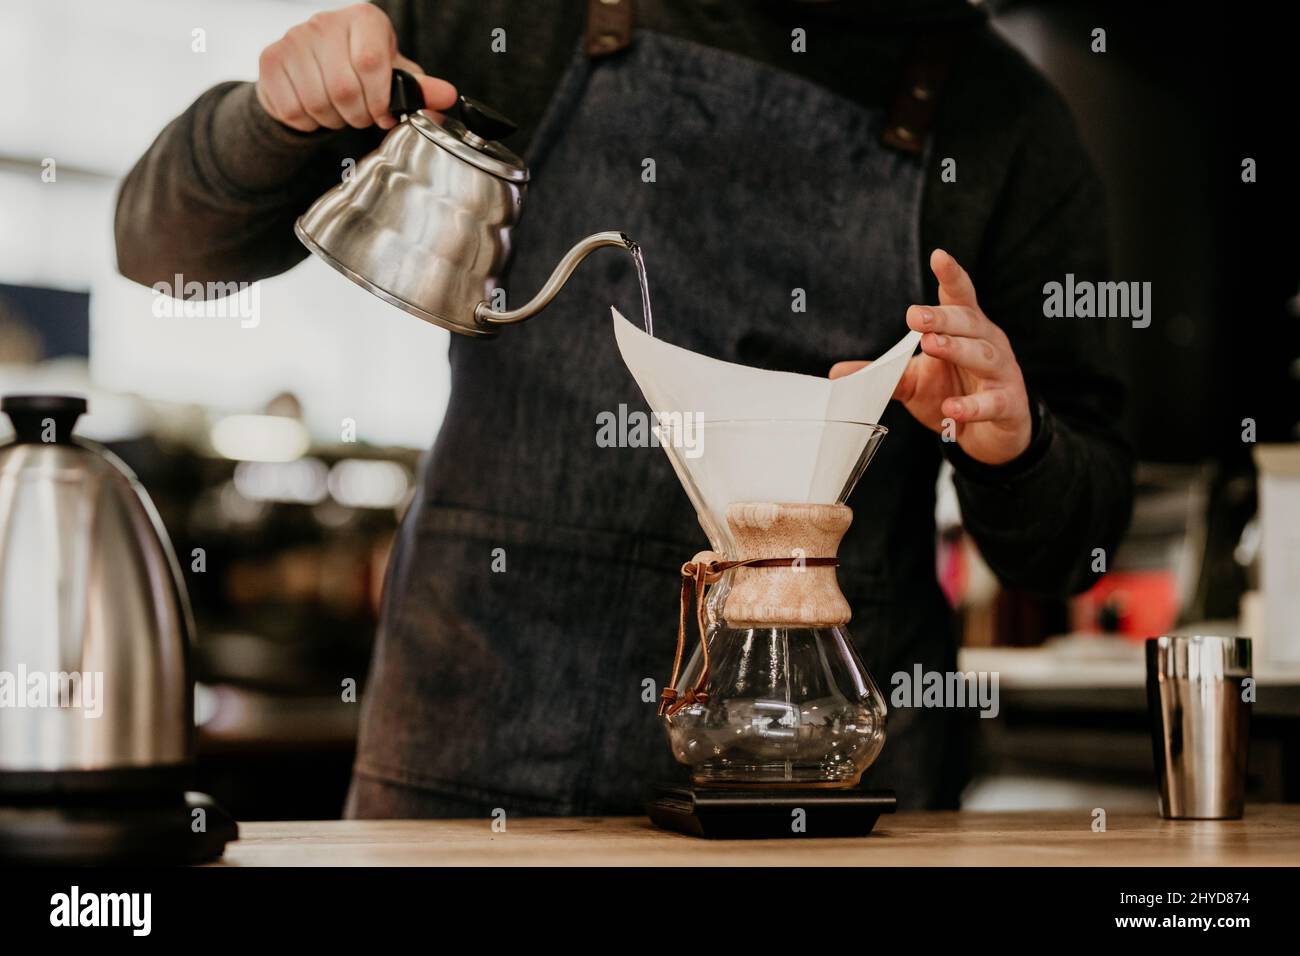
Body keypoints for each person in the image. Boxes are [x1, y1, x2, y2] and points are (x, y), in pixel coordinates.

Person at [115, 0, 1133, 816]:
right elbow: (160, 245)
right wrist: (270, 117)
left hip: (821, 790)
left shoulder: (1002, 125)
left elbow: (1077, 546)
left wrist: (1017, 443)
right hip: (472, 755)